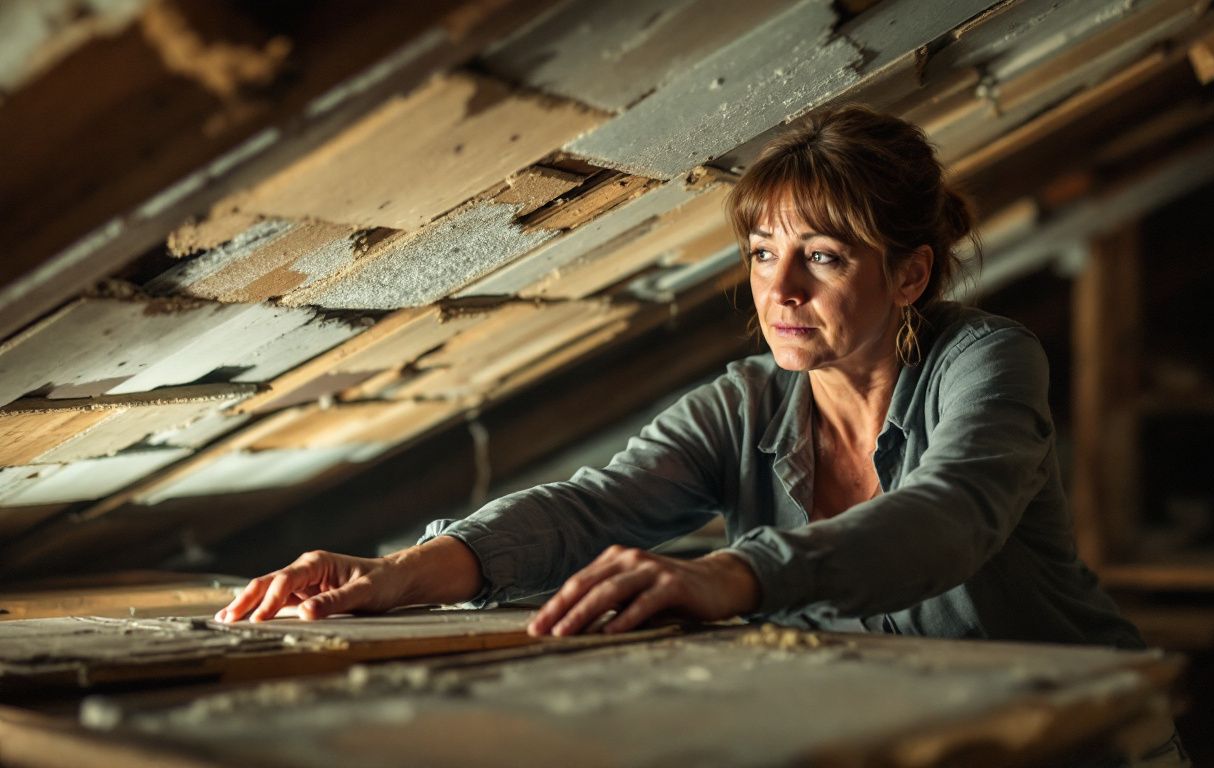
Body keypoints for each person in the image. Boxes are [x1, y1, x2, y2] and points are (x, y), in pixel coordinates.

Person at [217, 105, 1143, 651]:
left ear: (910, 274)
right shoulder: (744, 405)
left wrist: (736, 574)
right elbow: (589, 510)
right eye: (761, 252)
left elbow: (947, 519)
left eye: (820, 257)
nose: (776, 290)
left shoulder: (987, 361)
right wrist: (400, 574)